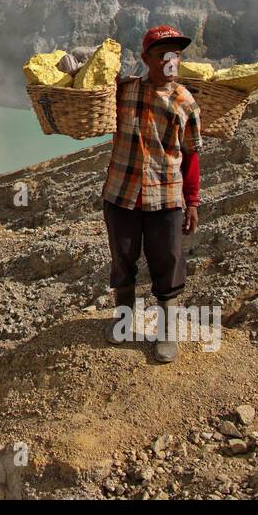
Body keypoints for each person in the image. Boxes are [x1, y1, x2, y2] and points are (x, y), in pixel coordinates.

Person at [102, 25, 201, 363]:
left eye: (176, 54)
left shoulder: (185, 101)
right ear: (146, 59)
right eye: (163, 55)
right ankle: (124, 319)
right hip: (122, 192)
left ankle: (167, 331)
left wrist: (192, 201)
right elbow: (94, 98)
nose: (171, 61)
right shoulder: (124, 91)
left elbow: (190, 156)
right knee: (123, 257)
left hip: (167, 196)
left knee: (168, 261)